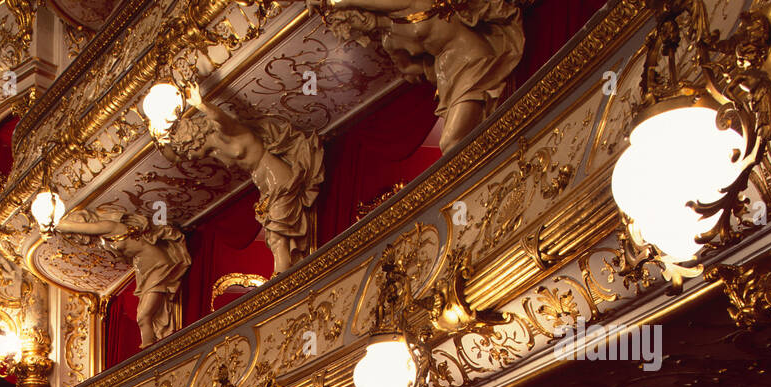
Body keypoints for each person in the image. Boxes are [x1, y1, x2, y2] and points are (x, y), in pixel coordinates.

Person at [313, 0, 525, 151]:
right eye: (352, 22)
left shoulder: (408, 6)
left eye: (355, 13)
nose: (359, 19)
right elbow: (411, 71)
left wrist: (335, 3)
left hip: (470, 59)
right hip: (446, 78)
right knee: (463, 138)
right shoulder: (390, 42)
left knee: (450, 143)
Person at [164, 87, 323, 275]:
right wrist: (162, 140)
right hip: (264, 184)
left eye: (187, 152)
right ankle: (286, 272)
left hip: (276, 175)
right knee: (273, 236)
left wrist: (201, 104)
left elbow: (220, 118)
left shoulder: (225, 133)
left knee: (277, 228)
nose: (190, 157)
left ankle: (281, 276)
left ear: (193, 140)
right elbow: (173, 156)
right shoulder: (214, 151)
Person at [55, 208, 191, 346]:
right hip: (143, 271)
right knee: (146, 315)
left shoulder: (109, 226)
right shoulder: (105, 241)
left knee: (143, 316)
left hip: (157, 264)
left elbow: (71, 226)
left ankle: (150, 354)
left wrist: (50, 222)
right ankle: (153, 350)